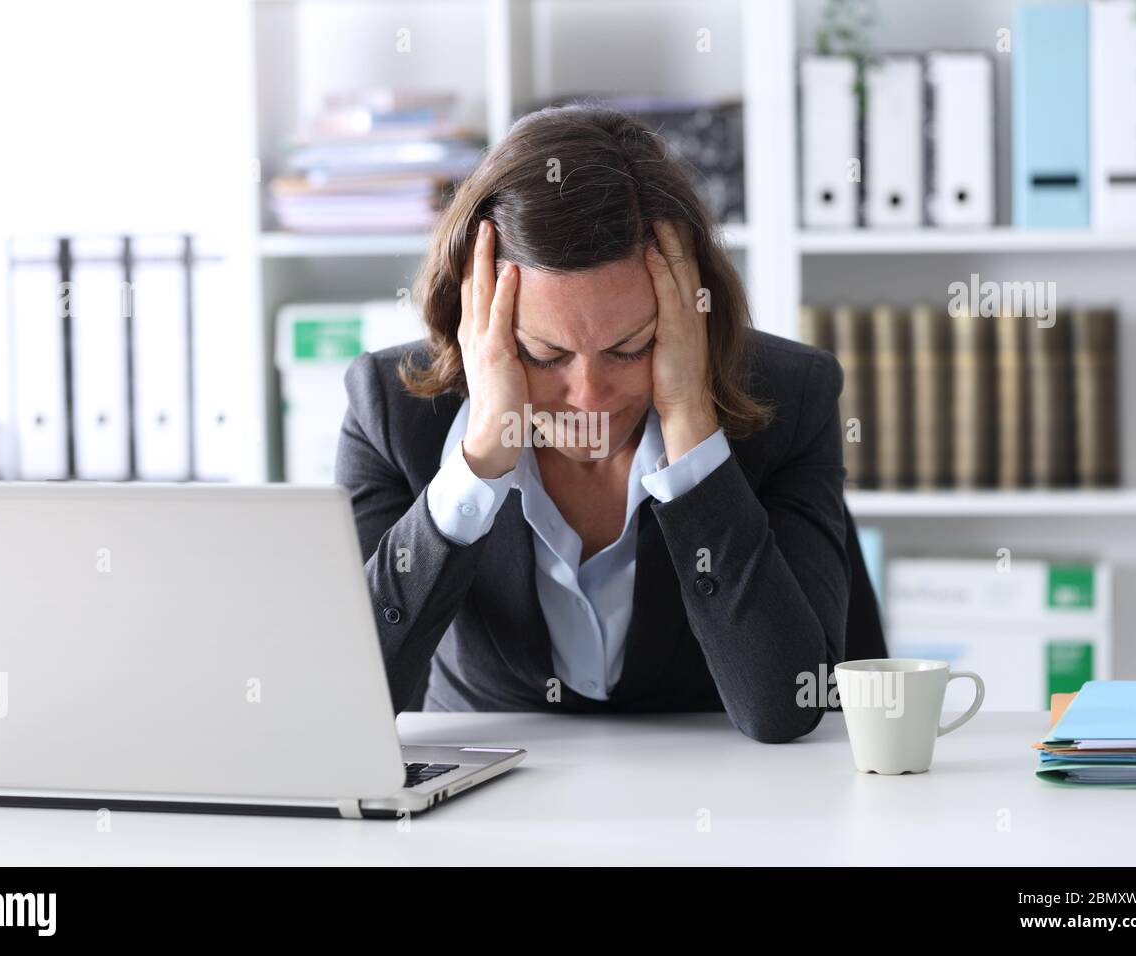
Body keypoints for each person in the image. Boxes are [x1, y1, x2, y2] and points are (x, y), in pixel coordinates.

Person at [337, 104, 850, 743]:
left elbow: (787, 707)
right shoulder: (390, 409)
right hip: (490, 783)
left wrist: (692, 433)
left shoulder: (794, 397)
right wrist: (480, 461)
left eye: (631, 348)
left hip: (717, 783)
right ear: (475, 318)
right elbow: (344, 701)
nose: (589, 397)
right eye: (544, 355)